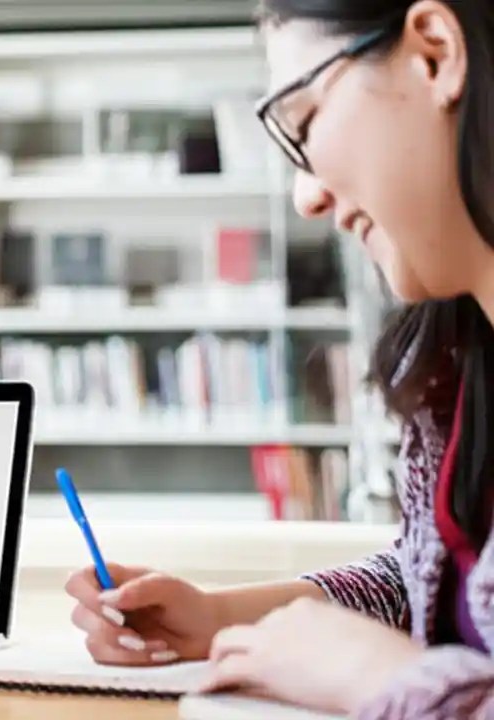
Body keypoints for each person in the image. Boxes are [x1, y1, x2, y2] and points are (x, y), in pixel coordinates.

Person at [65, 0, 494, 717]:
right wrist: (223, 619)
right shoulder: (460, 363)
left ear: (434, 53)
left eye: (304, 123)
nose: (307, 196)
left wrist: (388, 683)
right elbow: (440, 589)